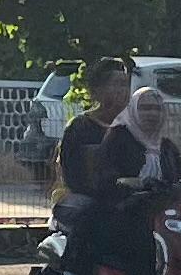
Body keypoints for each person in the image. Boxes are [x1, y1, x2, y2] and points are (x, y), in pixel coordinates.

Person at [83, 85, 181, 275]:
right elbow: (104, 175)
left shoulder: (167, 147)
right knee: (145, 247)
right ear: (134, 110)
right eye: (145, 108)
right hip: (123, 212)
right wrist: (127, 183)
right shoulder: (119, 137)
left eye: (157, 108)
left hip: (163, 215)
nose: (152, 114)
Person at [54, 57, 138, 202]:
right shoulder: (79, 127)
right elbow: (72, 176)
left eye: (125, 85)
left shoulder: (132, 128)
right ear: (97, 91)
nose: (122, 91)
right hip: (88, 201)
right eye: (116, 84)